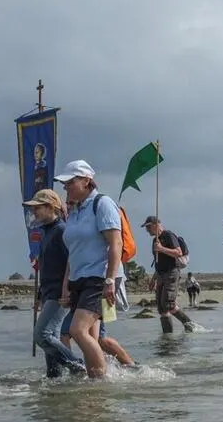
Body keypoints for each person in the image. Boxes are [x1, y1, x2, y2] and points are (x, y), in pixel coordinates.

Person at [55, 160, 129, 378]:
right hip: (79, 279)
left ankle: (100, 384)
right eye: (64, 183)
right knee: (92, 335)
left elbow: (116, 243)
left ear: (87, 180)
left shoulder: (102, 203)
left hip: (100, 277)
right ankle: (95, 383)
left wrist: (110, 281)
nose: (66, 187)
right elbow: (73, 252)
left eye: (70, 182)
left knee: (77, 331)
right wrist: (66, 285)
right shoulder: (75, 210)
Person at [25, 189, 86, 378]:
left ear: (51, 207)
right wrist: (40, 295)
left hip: (60, 293)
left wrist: (67, 291)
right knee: (50, 335)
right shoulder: (47, 232)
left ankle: (77, 366)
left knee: (42, 335)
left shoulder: (61, 230)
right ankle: (54, 378)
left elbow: (72, 262)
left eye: (37, 208)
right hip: (49, 292)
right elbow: (46, 268)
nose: (34, 212)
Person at [142, 216, 197, 333]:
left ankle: (190, 326)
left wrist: (161, 249)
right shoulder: (155, 241)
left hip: (171, 272)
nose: (147, 230)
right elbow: (158, 262)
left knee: (168, 304)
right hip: (161, 274)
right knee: (161, 308)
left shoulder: (168, 235)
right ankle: (167, 337)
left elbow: (178, 252)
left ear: (156, 225)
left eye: (148, 227)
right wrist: (153, 280)